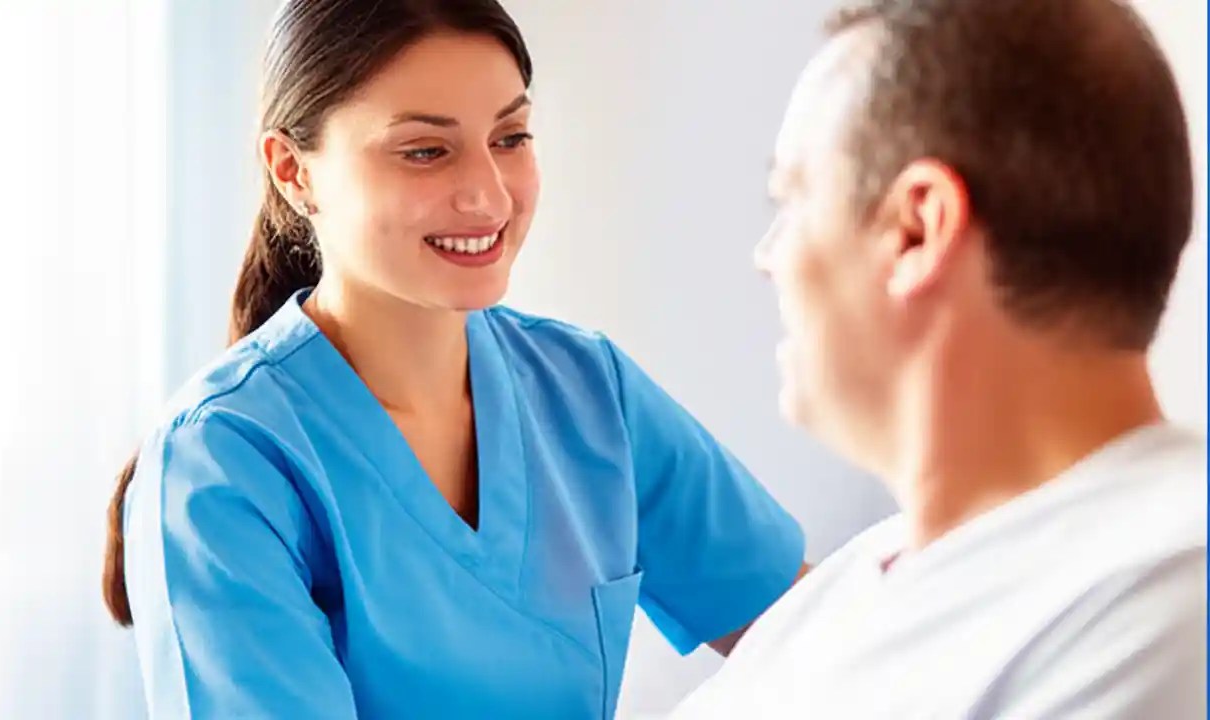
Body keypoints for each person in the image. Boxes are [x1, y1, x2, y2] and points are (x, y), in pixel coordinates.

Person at [100, 1, 808, 718]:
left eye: (510, 137)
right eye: (425, 151)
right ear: (293, 171)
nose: (489, 195)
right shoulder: (219, 461)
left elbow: (825, 629)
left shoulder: (591, 393)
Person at [671, 0, 1206, 717]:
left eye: (792, 199)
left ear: (917, 229)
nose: (767, 257)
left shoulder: (1165, 601)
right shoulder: (840, 596)